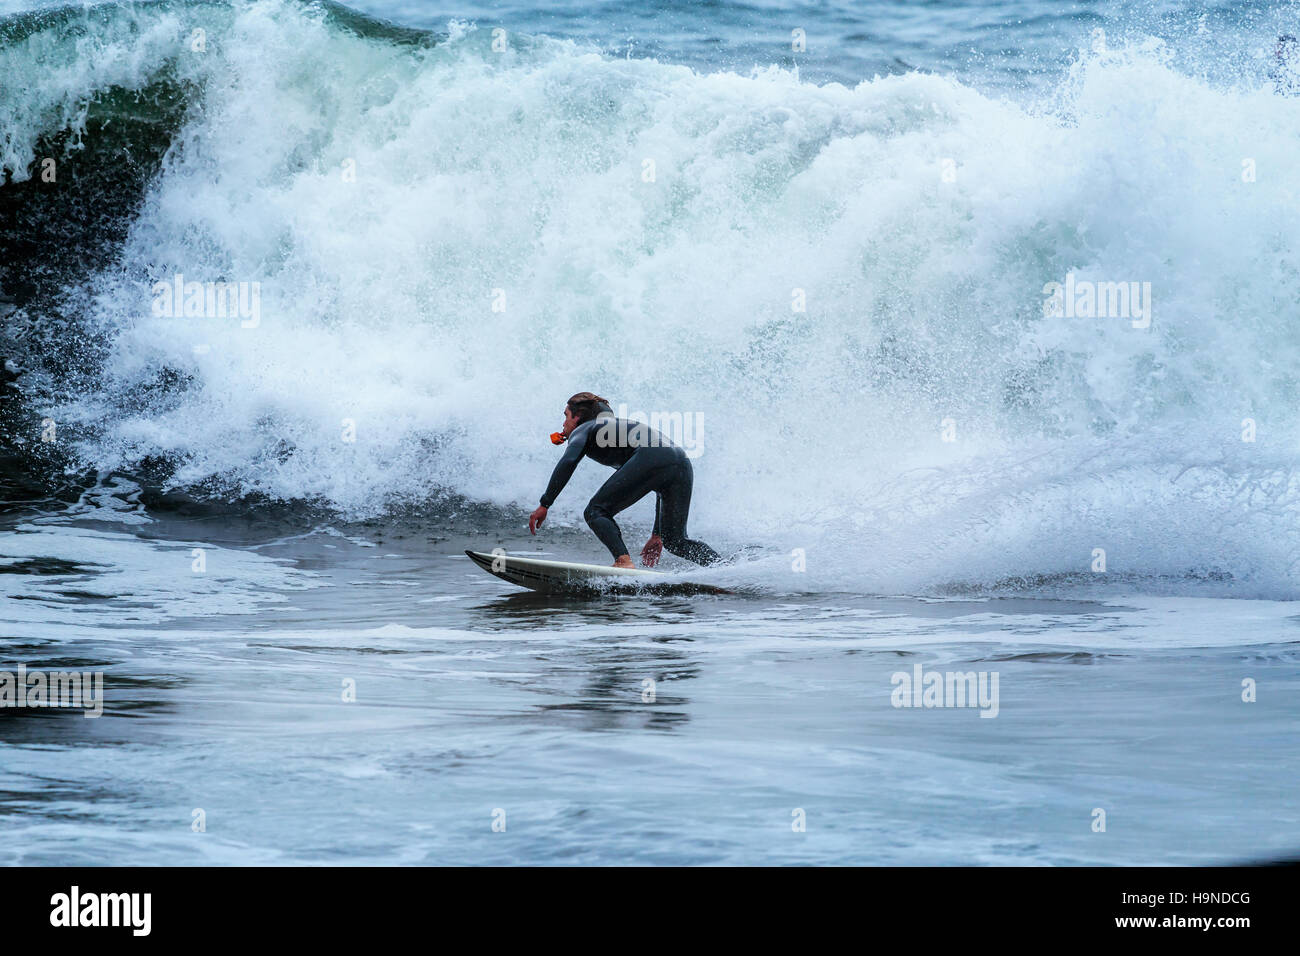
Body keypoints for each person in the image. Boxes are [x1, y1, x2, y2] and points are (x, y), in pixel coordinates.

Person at [529, 392, 721, 568]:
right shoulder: (617, 427)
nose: (564, 424)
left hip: (654, 456)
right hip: (681, 461)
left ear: (577, 416)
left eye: (566, 416)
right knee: (676, 542)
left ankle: (623, 560)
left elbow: (569, 461)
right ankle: (722, 568)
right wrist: (658, 534)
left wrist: (545, 503)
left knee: (596, 511)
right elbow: (661, 480)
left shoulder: (585, 428)